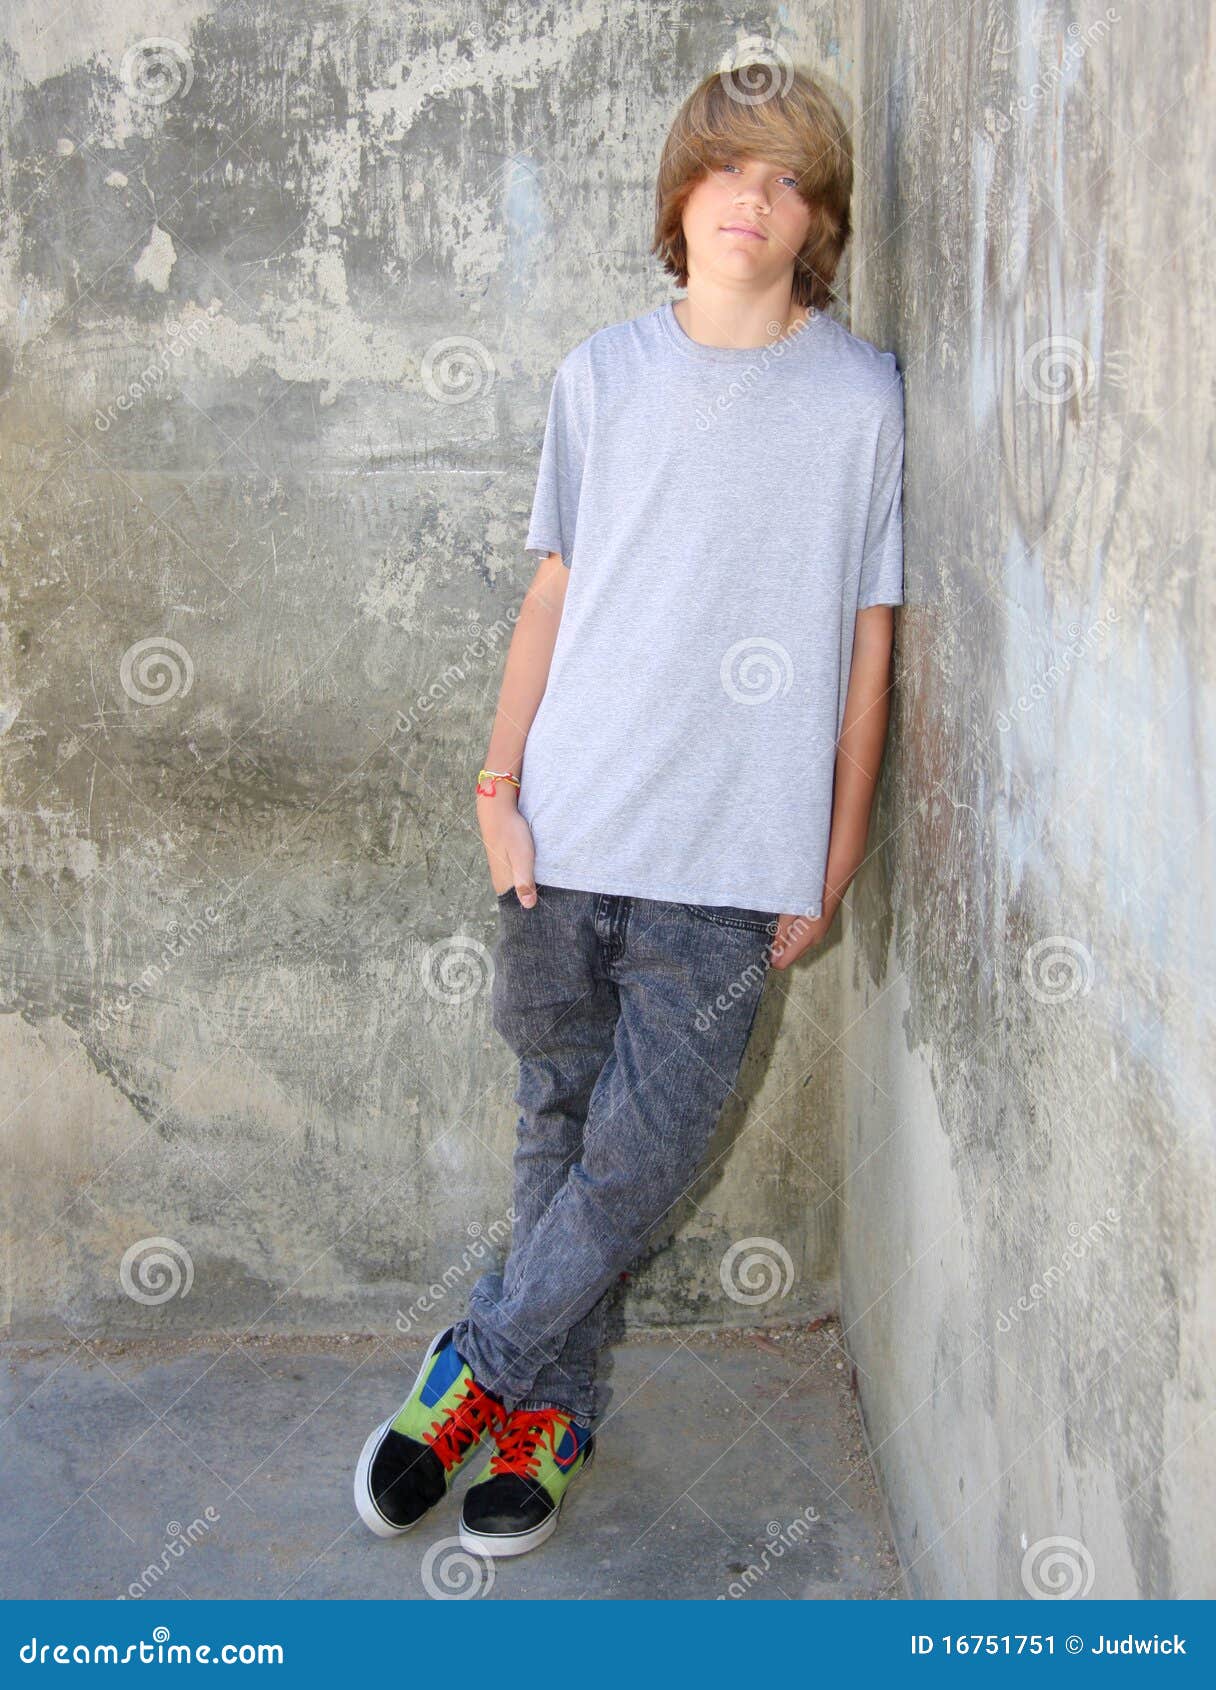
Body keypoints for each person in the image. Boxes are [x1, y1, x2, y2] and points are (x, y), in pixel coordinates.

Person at [354, 60, 905, 1561]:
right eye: (730, 168)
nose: (754, 199)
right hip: (570, 828)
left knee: (637, 1156)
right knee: (556, 1124)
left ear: (820, 220)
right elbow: (554, 592)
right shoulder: (600, 376)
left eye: (789, 179)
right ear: (681, 195)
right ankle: (552, 1416)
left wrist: (839, 843)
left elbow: (868, 638)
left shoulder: (861, 400)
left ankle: (477, 1360)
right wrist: (498, 789)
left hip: (730, 858)